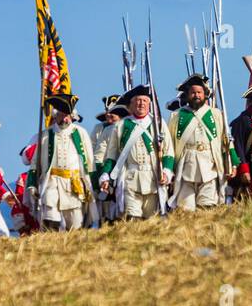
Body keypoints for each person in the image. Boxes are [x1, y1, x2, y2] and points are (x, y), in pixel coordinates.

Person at [99, 84, 174, 219]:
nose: (141, 104)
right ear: (131, 105)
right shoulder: (121, 125)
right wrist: (105, 175)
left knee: (152, 220)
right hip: (130, 178)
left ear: (149, 104)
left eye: (144, 101)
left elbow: (168, 153)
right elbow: (112, 155)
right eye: (137, 101)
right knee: (132, 219)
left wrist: (166, 172)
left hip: (153, 178)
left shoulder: (158, 123)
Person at [169, 74, 232, 211]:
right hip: (185, 166)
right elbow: (169, 144)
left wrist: (232, 163)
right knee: (185, 209)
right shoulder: (177, 115)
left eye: (199, 92)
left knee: (207, 207)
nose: (196, 95)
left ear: (205, 94)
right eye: (193, 93)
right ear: (187, 95)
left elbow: (225, 140)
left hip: (209, 165)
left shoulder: (216, 114)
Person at [33, 93, 96, 231]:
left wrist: (93, 184)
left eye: (67, 115)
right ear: (55, 116)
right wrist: (32, 185)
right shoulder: (45, 135)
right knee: (49, 213)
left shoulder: (81, 133)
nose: (65, 118)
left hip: (74, 183)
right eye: (61, 115)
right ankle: (50, 243)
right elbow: (34, 165)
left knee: (75, 224)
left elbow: (90, 163)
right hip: (52, 181)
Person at [92, 96, 125, 224]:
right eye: (107, 113)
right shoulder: (104, 130)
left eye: (113, 113)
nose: (109, 116)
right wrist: (101, 174)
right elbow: (98, 154)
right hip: (108, 170)